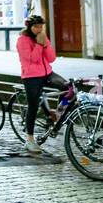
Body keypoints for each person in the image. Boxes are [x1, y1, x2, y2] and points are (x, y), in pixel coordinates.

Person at [17, 15, 66, 154]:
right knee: (33, 106)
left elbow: (51, 59)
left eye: (41, 26)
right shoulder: (22, 40)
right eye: (36, 27)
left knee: (67, 87)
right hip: (31, 76)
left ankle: (56, 114)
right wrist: (39, 45)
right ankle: (29, 140)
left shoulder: (42, 37)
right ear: (29, 27)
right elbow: (32, 58)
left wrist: (45, 45)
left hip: (47, 73)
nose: (39, 29)